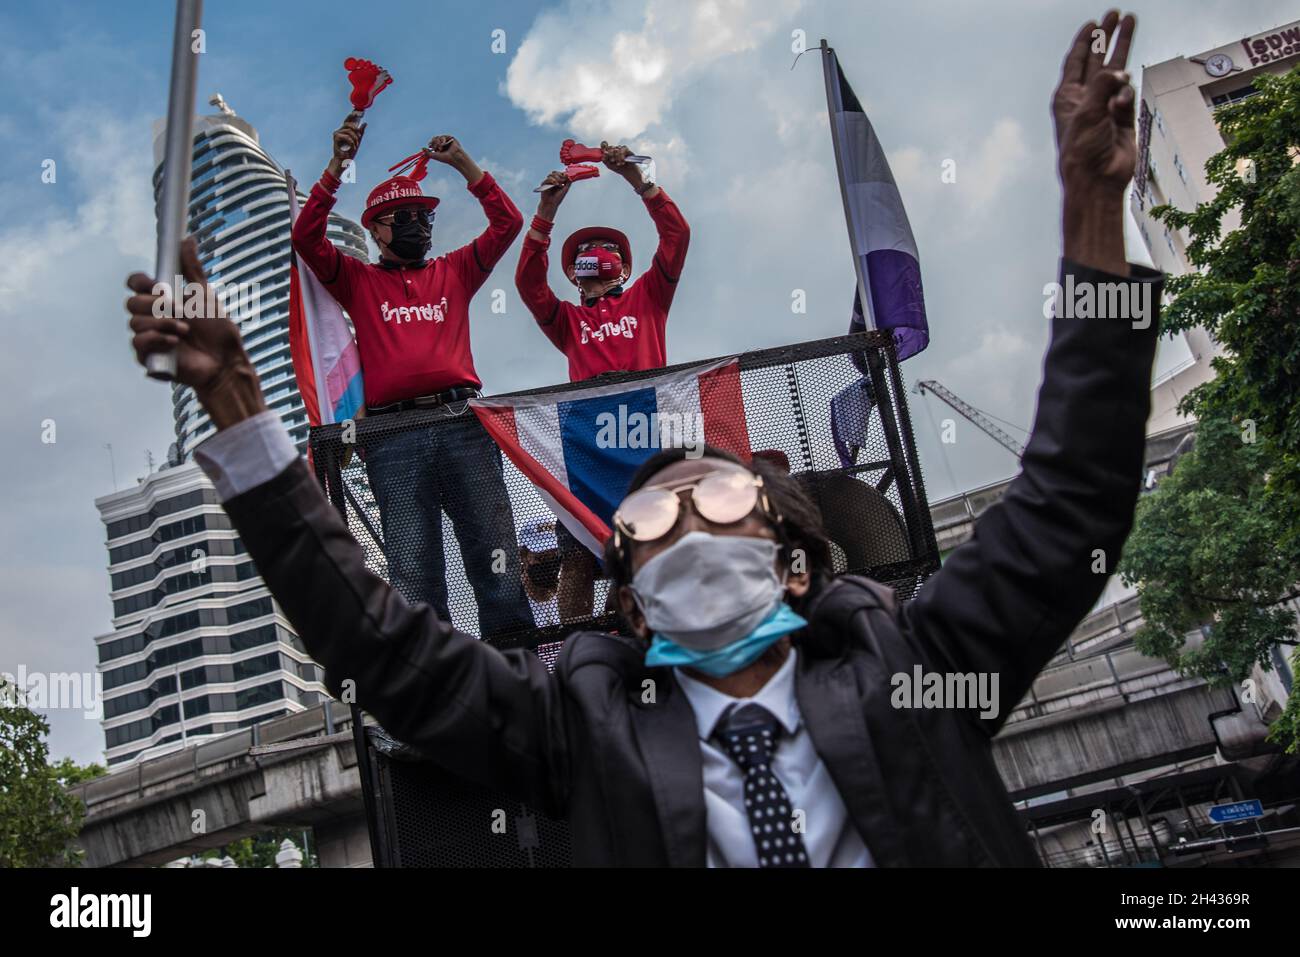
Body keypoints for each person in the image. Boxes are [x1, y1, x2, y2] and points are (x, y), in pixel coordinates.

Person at [126, 11, 1155, 866]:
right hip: (442, 443)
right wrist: (241, 416)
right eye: (654, 519)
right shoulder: (577, 730)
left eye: (722, 496)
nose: (687, 518)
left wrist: (1095, 217)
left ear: (795, 562)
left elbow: (1072, 503)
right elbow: (376, 645)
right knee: (438, 591)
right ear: (630, 597)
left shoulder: (913, 667)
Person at [291, 115, 533, 641]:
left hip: (463, 423)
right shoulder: (356, 280)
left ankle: (519, 671)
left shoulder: (455, 270)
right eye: (402, 217)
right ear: (375, 230)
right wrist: (337, 165)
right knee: (415, 575)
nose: (417, 225)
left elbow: (508, 224)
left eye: (424, 216)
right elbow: (305, 237)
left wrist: (463, 164)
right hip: (392, 438)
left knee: (496, 562)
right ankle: (438, 680)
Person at [516, 142, 690, 620]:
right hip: (589, 449)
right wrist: (546, 212)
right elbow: (529, 285)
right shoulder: (567, 320)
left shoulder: (649, 296)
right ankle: (579, 642)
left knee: (649, 541)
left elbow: (676, 237)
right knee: (578, 546)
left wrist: (639, 181)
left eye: (610, 250)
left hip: (648, 438)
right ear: (573, 274)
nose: (598, 255)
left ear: (626, 268)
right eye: (585, 254)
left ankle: (646, 623)